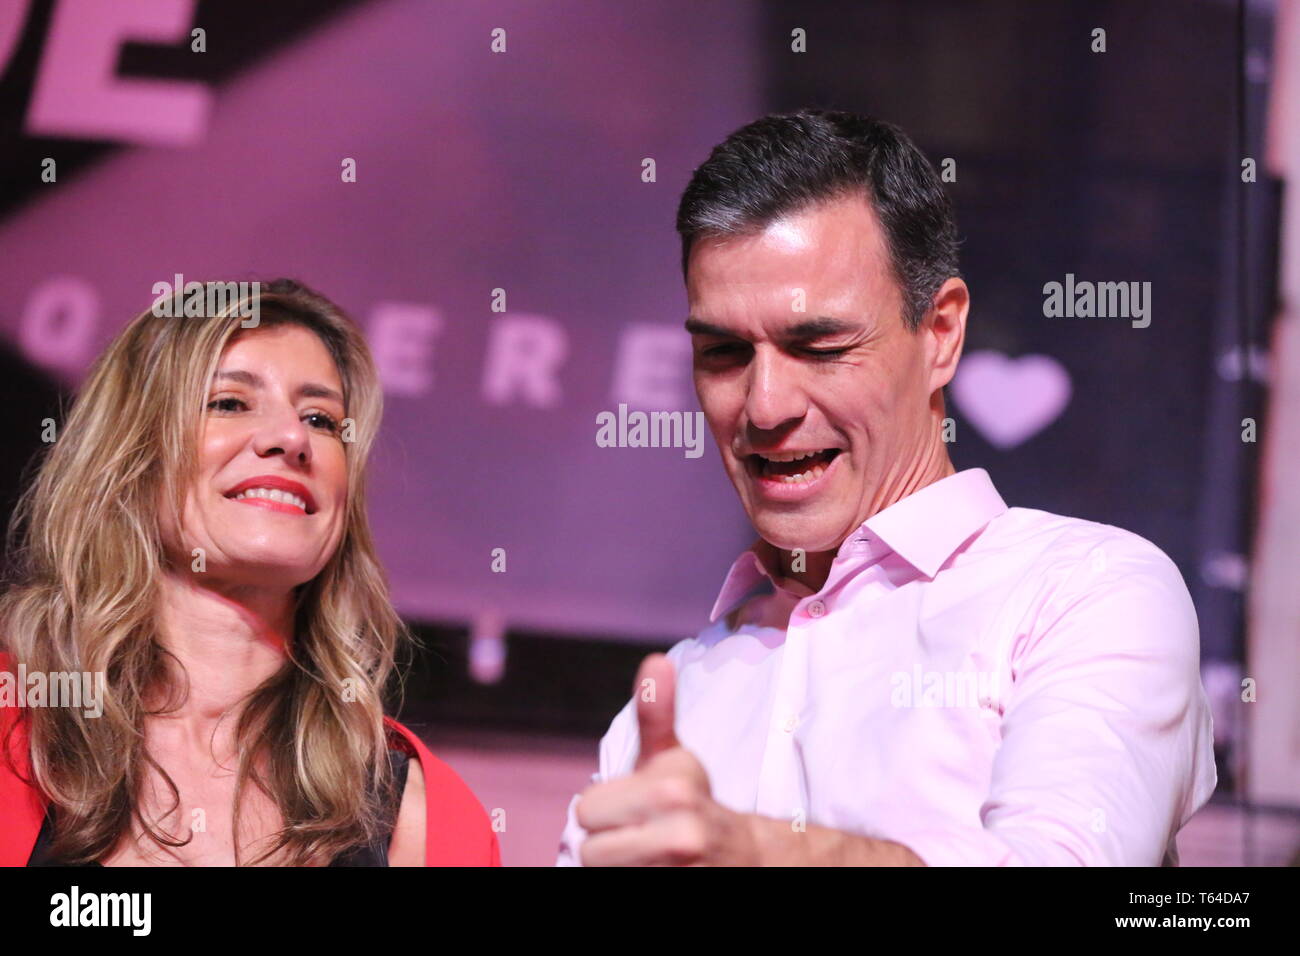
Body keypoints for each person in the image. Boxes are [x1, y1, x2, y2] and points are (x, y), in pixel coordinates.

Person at [557, 110, 1217, 866]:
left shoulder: (1086, 593)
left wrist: (763, 854)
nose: (766, 405)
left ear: (940, 334)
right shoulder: (676, 697)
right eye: (725, 352)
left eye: (821, 346)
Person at [0, 278, 498, 866]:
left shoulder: (422, 814)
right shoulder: (17, 723)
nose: (292, 438)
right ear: (128, 457)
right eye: (230, 402)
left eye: (321, 419)